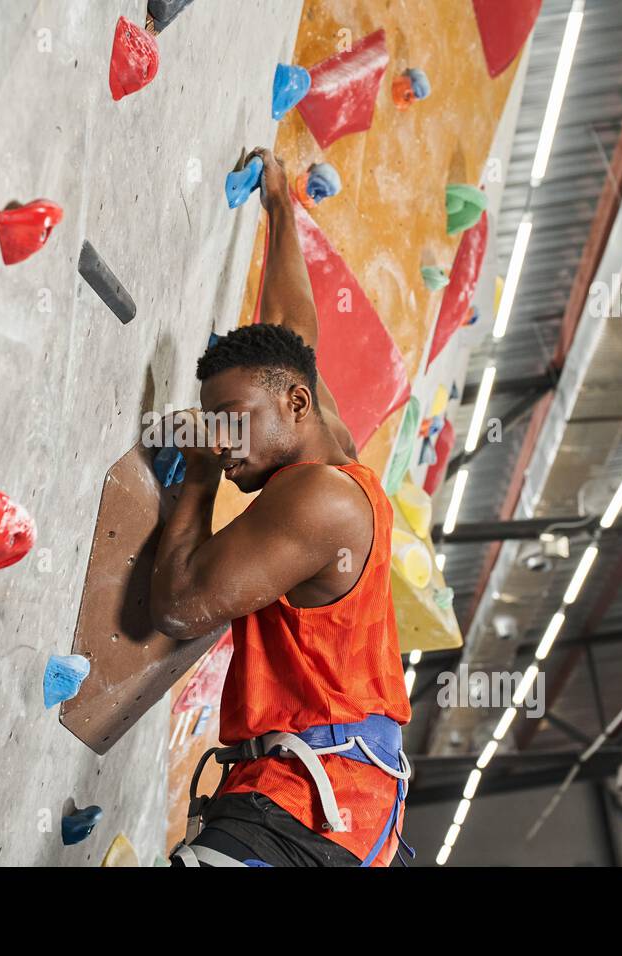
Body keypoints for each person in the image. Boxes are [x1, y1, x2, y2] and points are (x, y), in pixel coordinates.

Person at [151, 149, 412, 867]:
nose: (224, 437)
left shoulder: (316, 496)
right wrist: (280, 210)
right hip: (335, 799)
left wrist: (199, 472)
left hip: (310, 802)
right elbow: (293, 328)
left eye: (231, 418)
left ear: (295, 403)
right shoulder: (329, 446)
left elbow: (179, 605)